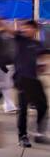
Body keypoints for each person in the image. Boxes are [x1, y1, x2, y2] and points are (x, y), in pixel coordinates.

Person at [13, 18, 47, 148]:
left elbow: (41, 59)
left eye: (29, 27)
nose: (26, 29)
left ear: (35, 30)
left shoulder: (38, 44)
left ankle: (38, 134)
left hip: (34, 80)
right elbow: (9, 30)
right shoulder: (20, 40)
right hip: (22, 79)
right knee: (23, 108)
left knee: (43, 106)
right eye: (25, 27)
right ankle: (22, 136)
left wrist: (41, 66)